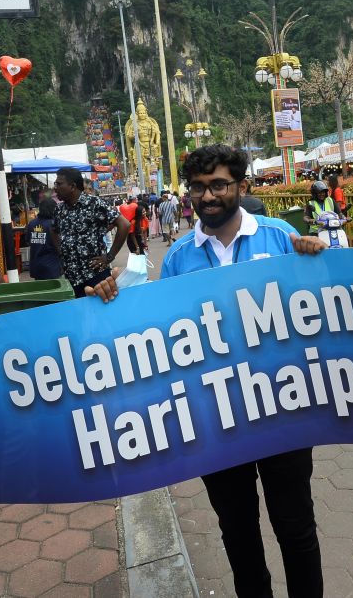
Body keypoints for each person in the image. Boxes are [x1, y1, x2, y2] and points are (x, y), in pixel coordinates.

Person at [93, 144, 327, 598]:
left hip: (286, 410)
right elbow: (160, 332)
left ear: (241, 186)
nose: (207, 196)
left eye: (218, 185)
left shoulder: (280, 237)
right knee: (238, 536)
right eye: (198, 188)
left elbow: (322, 306)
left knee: (296, 529)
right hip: (216, 420)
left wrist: (317, 257)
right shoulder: (180, 257)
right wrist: (110, 299)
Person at [49, 168, 129, 298]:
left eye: (59, 184)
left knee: (101, 314)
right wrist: (60, 251)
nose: (55, 188)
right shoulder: (59, 209)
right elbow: (53, 230)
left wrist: (109, 256)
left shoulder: (94, 203)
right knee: (81, 315)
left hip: (95, 276)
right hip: (72, 278)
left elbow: (124, 224)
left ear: (72, 186)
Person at [22, 198, 63, 280]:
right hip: (52, 268)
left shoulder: (31, 224)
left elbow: (28, 241)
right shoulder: (53, 224)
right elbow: (60, 246)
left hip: (36, 267)